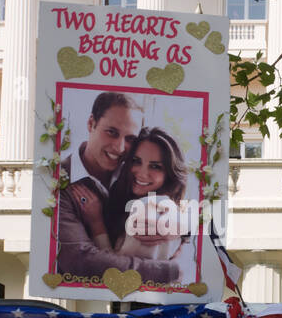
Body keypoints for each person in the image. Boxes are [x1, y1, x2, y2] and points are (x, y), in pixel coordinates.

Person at [54, 93, 189, 284]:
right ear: (91, 123)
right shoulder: (58, 182)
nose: (119, 147)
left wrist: (185, 229)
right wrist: (173, 270)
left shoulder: (149, 202)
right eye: (111, 132)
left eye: (130, 138)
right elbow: (80, 260)